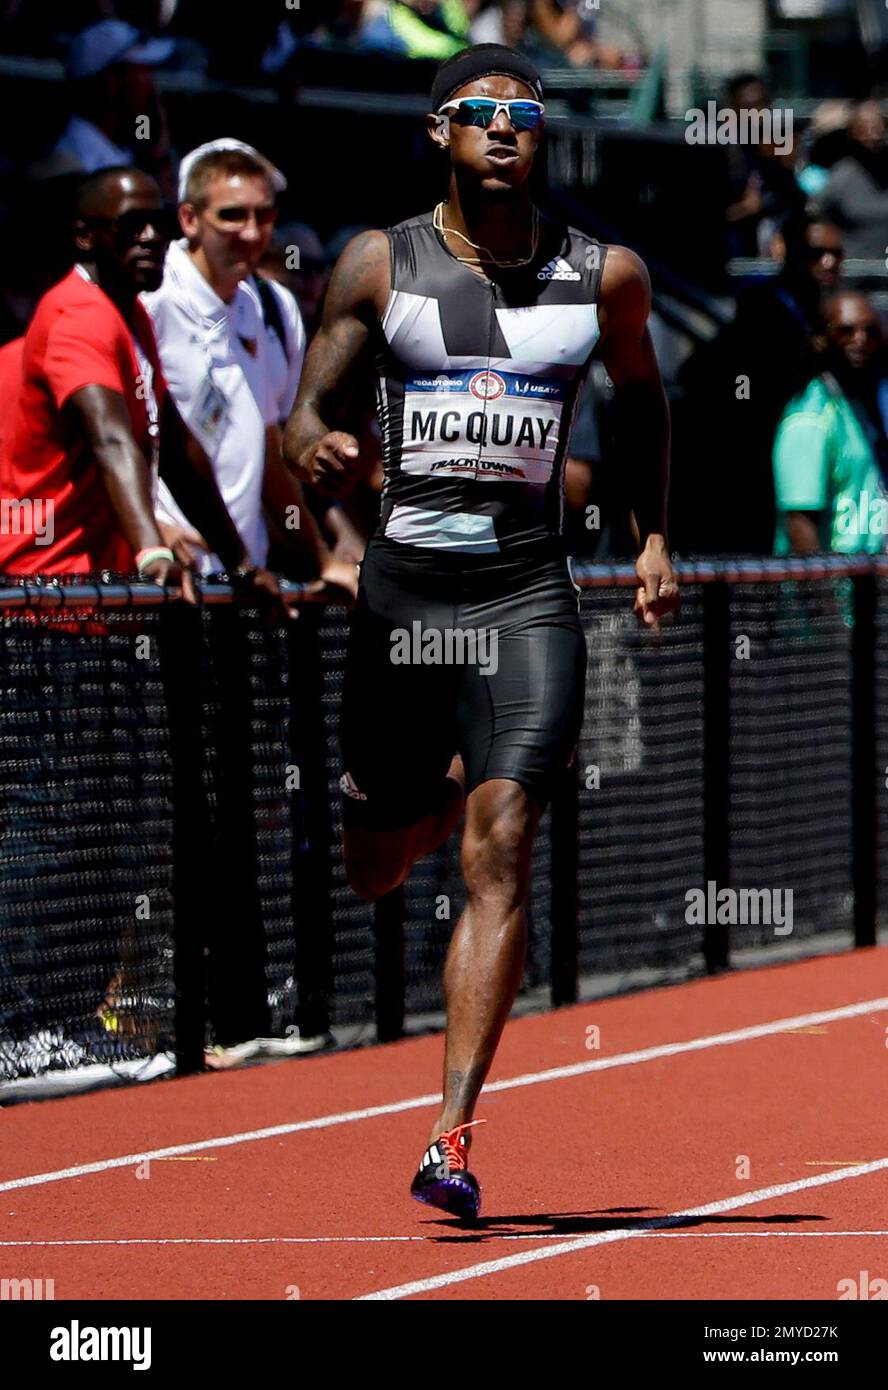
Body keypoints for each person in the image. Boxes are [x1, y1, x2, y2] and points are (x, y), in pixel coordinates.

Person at [284, 43, 677, 1220]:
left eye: (526, 114)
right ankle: (421, 796)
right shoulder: (378, 264)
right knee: (373, 863)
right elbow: (306, 414)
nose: (507, 129)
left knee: (501, 846)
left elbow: (647, 398)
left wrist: (655, 539)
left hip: (524, 595)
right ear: (438, 129)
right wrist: (315, 462)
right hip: (405, 595)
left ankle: (451, 1134)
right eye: (483, 113)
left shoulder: (603, 274)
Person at [673, 212, 844, 555]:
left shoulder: (830, 315)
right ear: (785, 250)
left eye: (836, 254)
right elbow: (736, 386)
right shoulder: (761, 313)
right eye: (815, 252)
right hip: (746, 465)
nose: (828, 262)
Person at [774, 292, 888, 555]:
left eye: (871, 332)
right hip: (830, 590)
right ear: (821, 340)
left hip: (865, 586)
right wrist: (824, 595)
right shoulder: (809, 418)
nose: (860, 340)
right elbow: (800, 523)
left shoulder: (854, 407)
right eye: (846, 331)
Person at [822, 100, 888, 259]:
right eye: (865, 128)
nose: (874, 134)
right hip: (853, 274)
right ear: (852, 132)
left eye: (878, 127)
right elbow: (818, 218)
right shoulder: (840, 177)